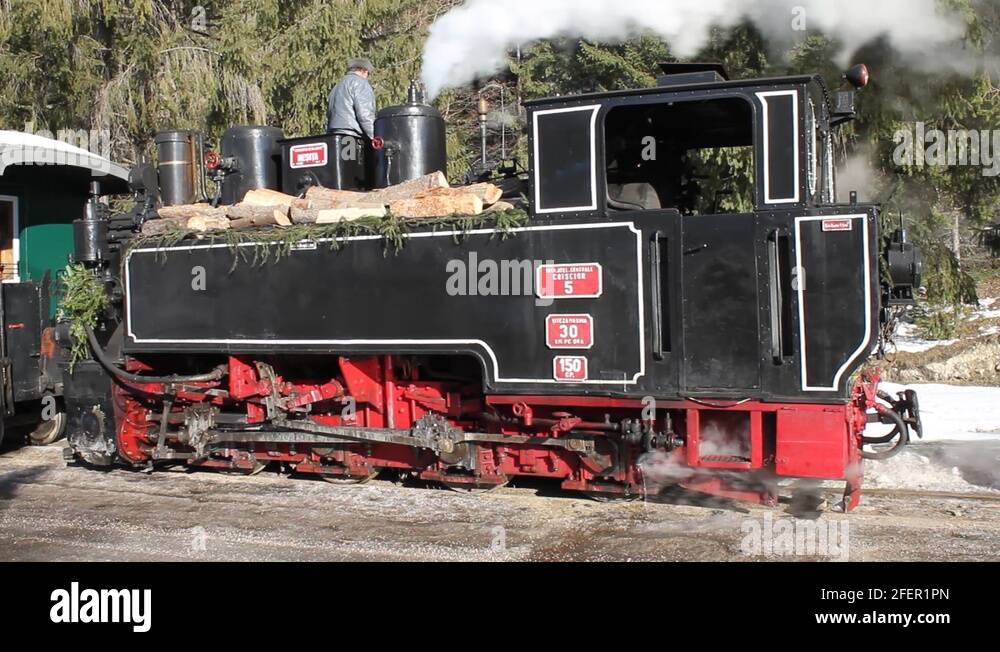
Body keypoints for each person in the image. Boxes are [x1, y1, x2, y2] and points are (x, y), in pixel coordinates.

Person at [327, 58, 376, 140]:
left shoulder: (336, 87)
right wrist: (375, 137)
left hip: (334, 137)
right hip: (353, 137)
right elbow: (365, 116)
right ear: (364, 71)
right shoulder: (360, 83)